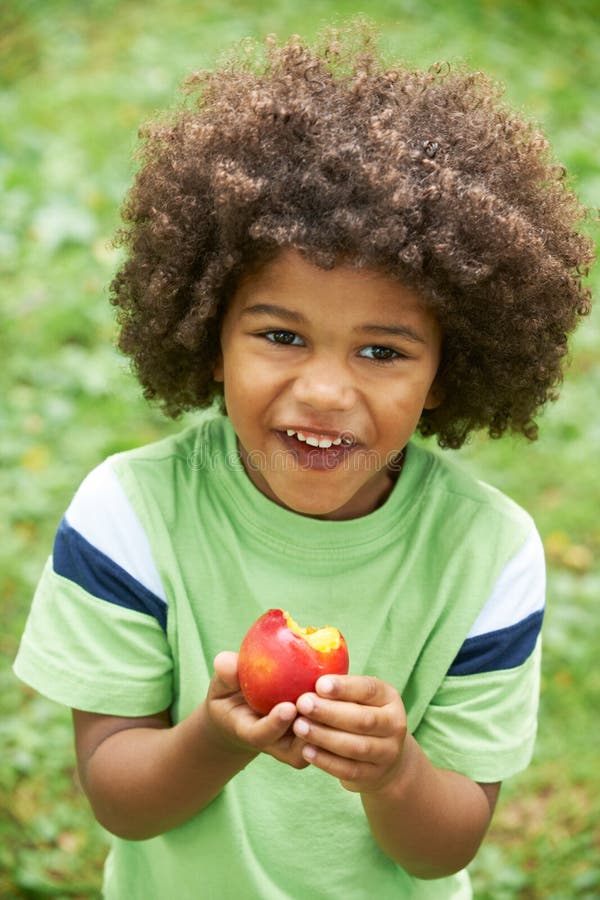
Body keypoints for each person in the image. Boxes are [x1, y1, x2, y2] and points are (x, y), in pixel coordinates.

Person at [13, 20, 593, 900]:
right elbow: (119, 799)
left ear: (447, 373)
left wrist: (395, 772)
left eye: (382, 351)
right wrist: (214, 739)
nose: (324, 391)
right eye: (281, 336)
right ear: (209, 335)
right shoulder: (129, 514)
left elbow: (444, 848)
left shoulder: (486, 552)